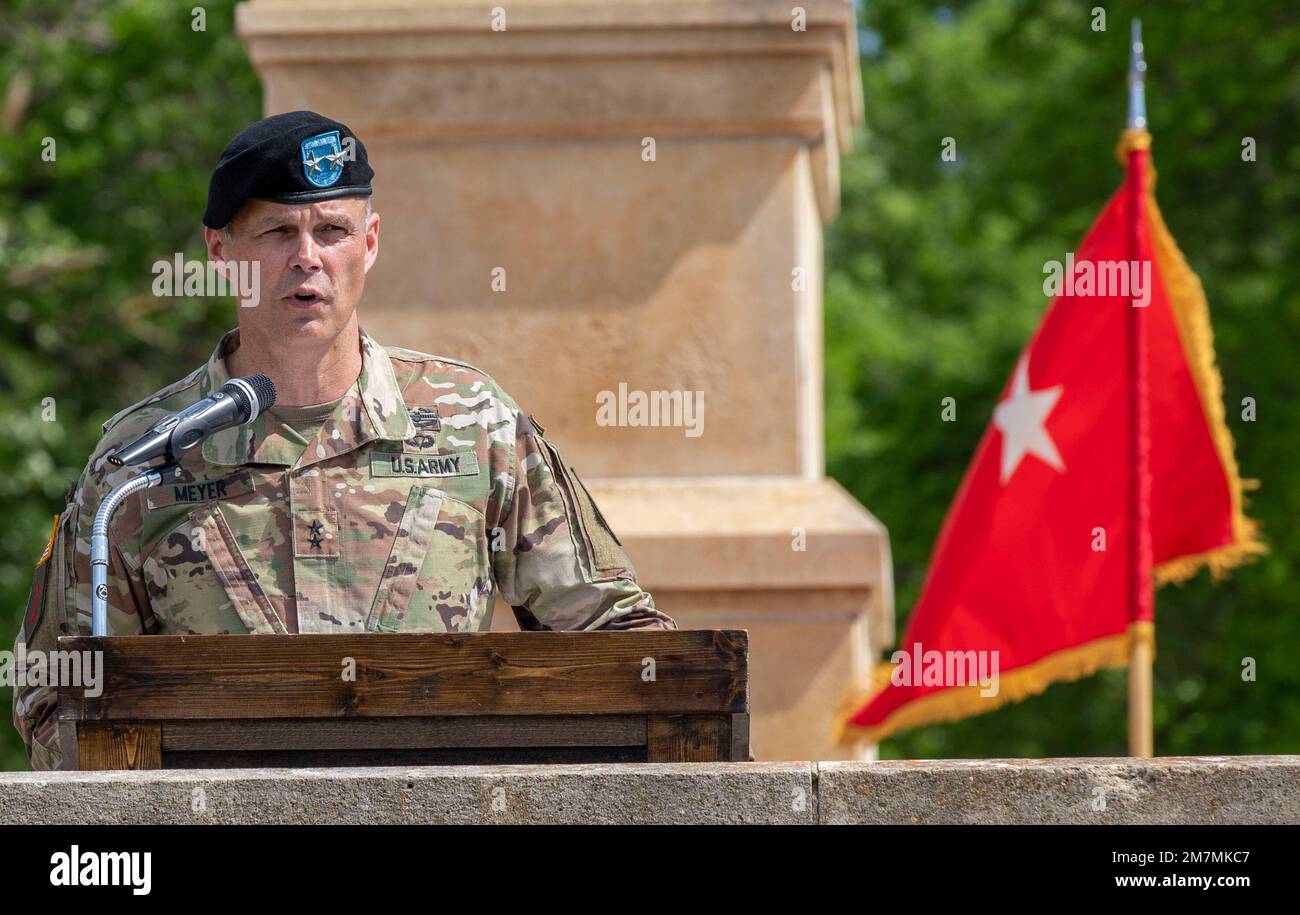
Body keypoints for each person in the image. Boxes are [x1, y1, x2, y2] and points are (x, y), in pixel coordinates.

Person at [12, 110, 676, 771]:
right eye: (278, 230)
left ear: (371, 242)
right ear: (220, 252)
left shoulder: (475, 424)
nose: (308, 257)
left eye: (333, 229)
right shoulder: (141, 461)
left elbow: (621, 640)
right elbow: (54, 693)